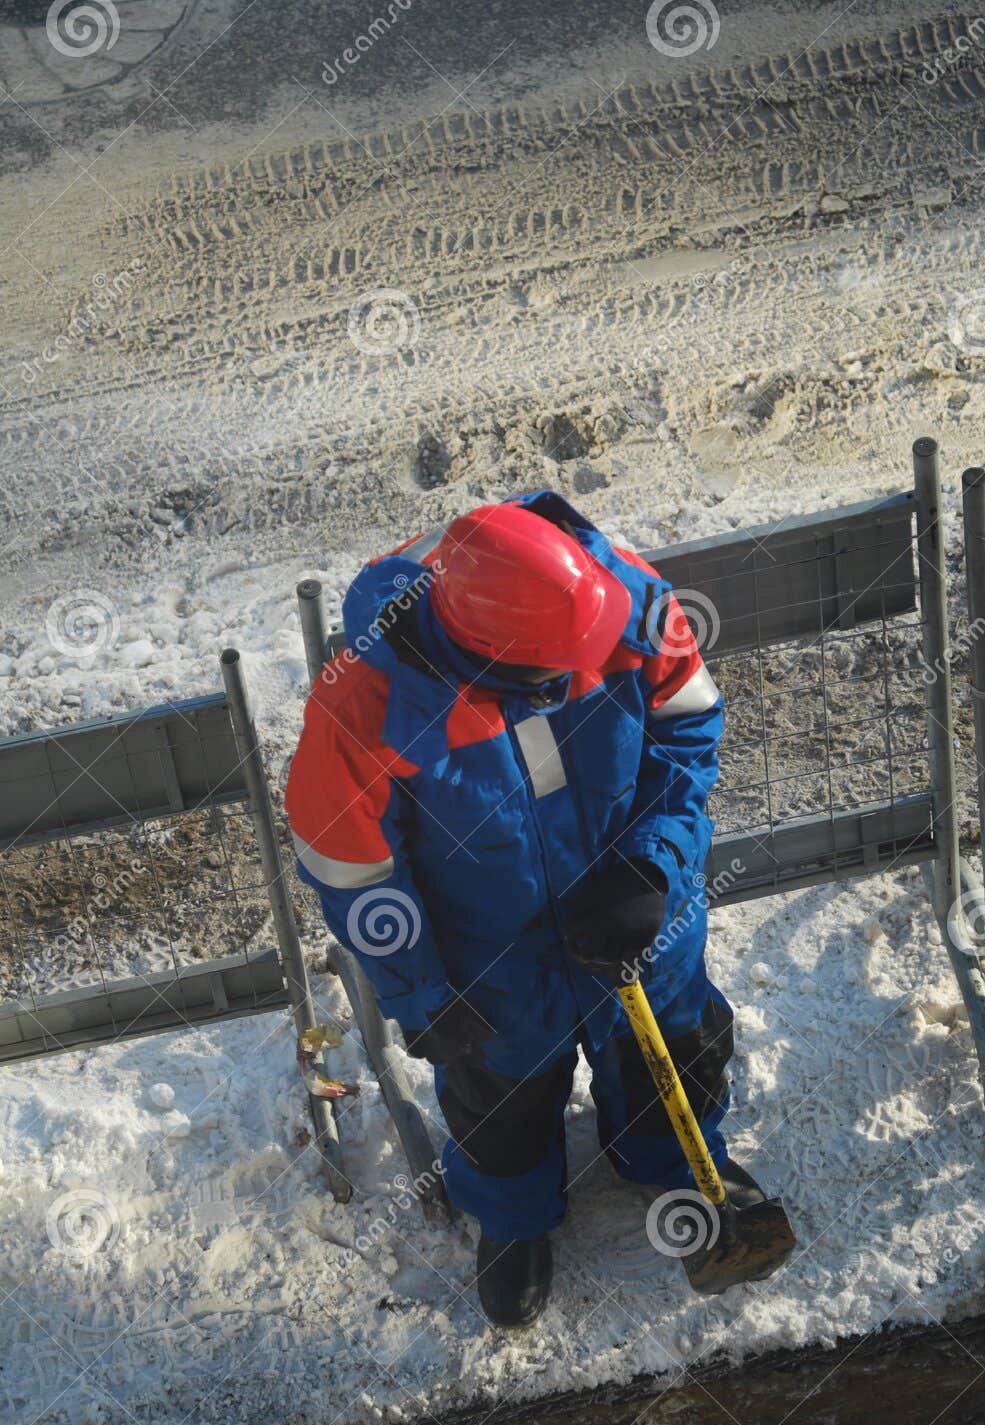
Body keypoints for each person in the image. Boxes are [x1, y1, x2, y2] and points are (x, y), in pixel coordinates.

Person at [285, 493, 761, 1328]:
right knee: (498, 1092)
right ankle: (512, 1221)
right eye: (554, 676)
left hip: (637, 906)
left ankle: (674, 1160)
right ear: (485, 660)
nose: (582, 674)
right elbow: (350, 868)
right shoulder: (361, 699)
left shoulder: (622, 604)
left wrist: (653, 866)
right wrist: (420, 993)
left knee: (675, 1040)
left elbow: (690, 733)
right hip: (487, 952)